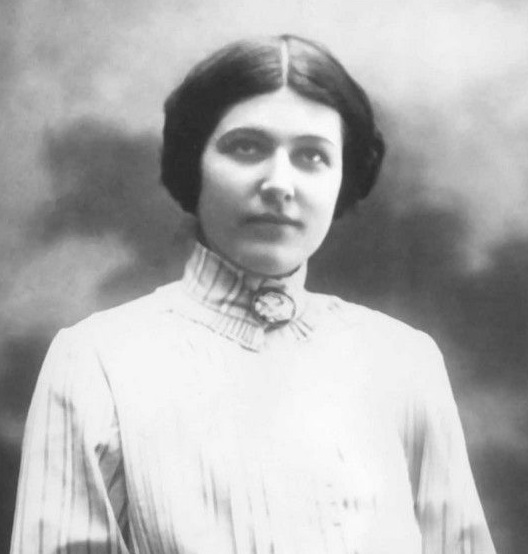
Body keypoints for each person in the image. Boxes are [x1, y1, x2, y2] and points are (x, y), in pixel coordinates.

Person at [10, 35, 496, 554]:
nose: (279, 183)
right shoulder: (96, 361)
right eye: (246, 147)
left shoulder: (405, 361)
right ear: (194, 164)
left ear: (342, 178)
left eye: (312, 156)